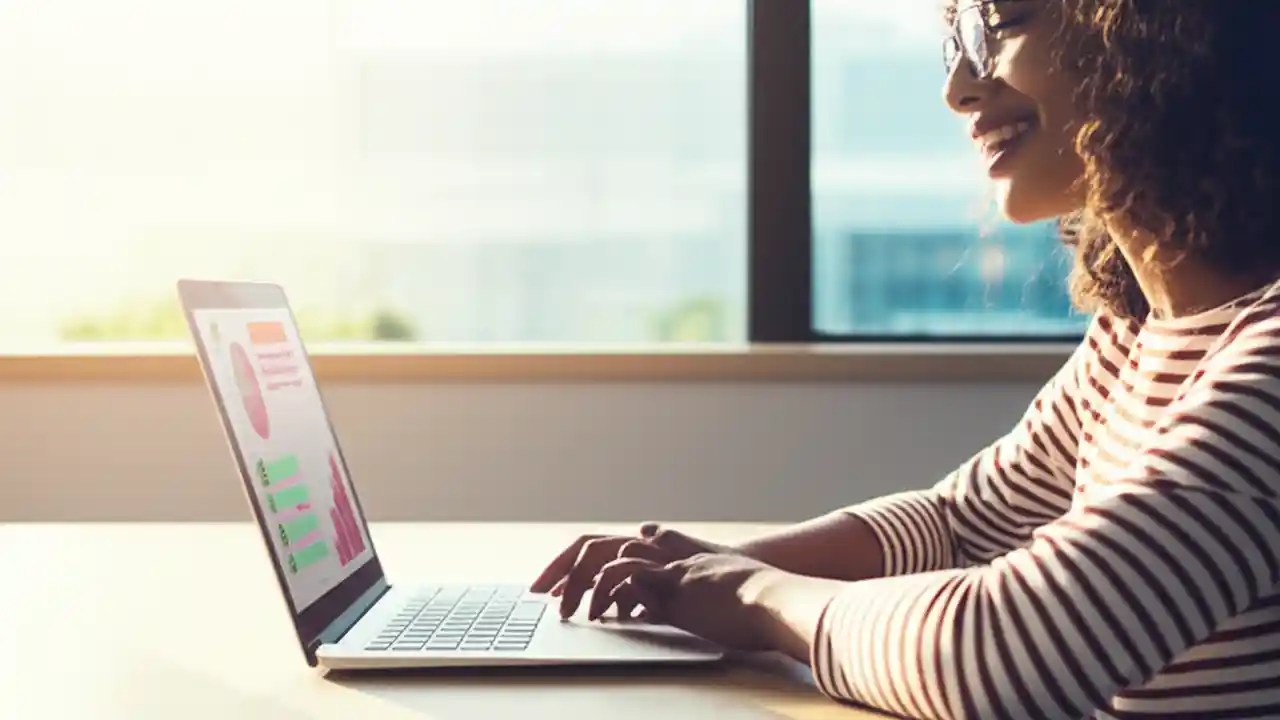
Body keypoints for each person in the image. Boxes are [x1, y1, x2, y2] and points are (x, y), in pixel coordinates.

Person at [531, 1, 1280, 717]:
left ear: (1167, 42)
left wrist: (754, 597)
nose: (959, 88)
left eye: (1005, 23)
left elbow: (1005, 657)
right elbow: (962, 523)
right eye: (958, 38)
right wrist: (701, 575)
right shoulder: (1141, 329)